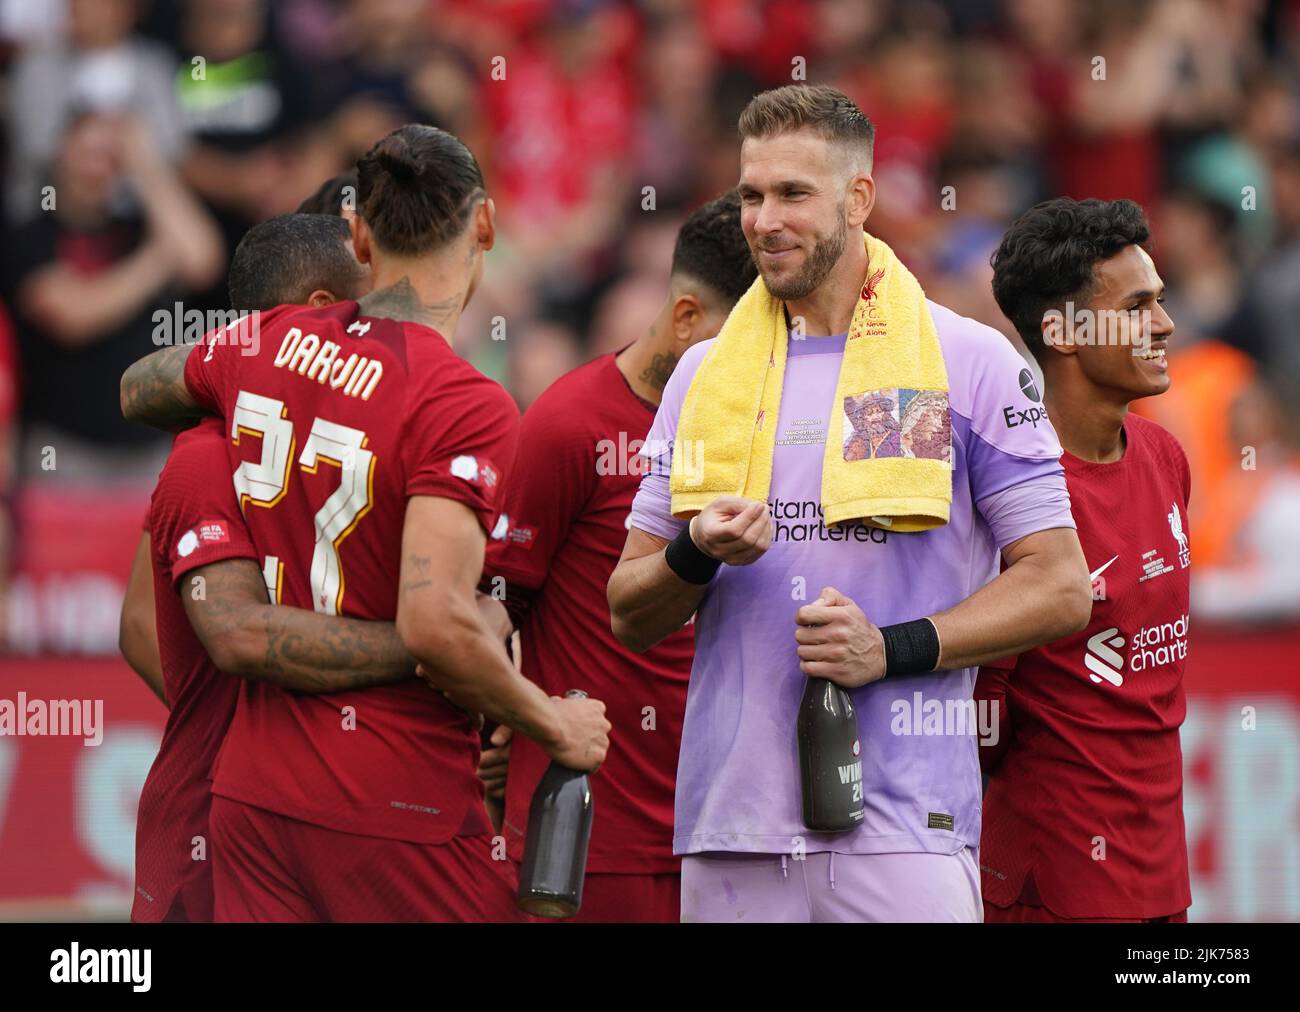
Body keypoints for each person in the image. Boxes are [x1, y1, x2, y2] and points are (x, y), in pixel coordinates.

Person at [607, 84, 1091, 923]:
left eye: (794, 193)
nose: (764, 220)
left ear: (859, 198)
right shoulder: (703, 375)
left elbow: (1060, 585)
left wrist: (891, 648)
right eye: (752, 195)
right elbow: (628, 608)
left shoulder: (970, 363)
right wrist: (695, 553)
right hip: (736, 829)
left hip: (906, 828)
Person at [120, 124, 609, 922]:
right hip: (393, 797)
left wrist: (268, 364)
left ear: (356, 233)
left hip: (253, 795)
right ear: (485, 226)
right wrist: (553, 722)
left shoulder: (269, 340)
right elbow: (434, 624)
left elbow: (139, 385)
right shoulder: (464, 400)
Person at [480, 191, 755, 922]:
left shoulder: (767, 431)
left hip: (737, 829)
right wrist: (508, 721)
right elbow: (491, 604)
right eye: (752, 341)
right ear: (689, 318)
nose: (767, 364)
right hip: (593, 835)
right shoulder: (570, 424)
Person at [976, 196, 1192, 924]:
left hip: (1164, 877)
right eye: (1137, 307)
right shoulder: (1013, 496)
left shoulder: (1165, 457)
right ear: (1063, 332)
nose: (1164, 324)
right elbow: (980, 720)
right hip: (1054, 884)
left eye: (1159, 301)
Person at [119, 210, 374, 699]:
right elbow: (149, 625)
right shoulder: (207, 453)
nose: (388, 317)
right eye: (373, 295)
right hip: (233, 770)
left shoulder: (360, 435)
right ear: (318, 308)